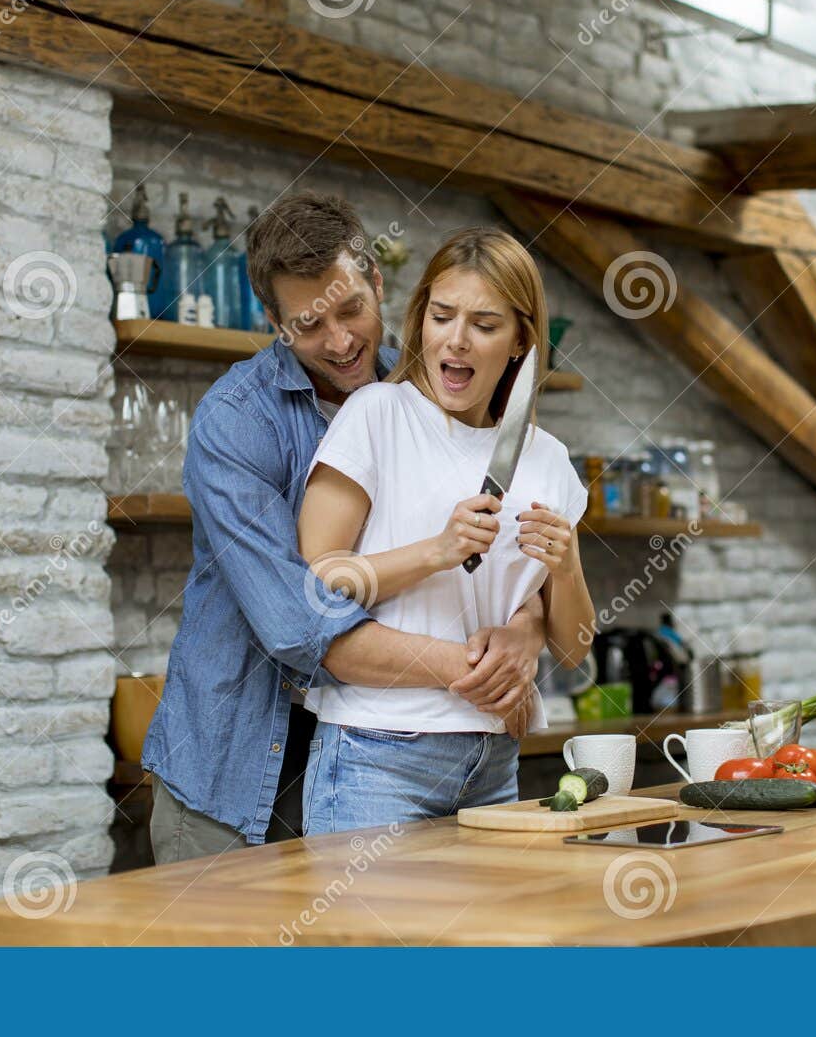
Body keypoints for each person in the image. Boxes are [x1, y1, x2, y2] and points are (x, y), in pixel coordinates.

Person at [142, 195, 547, 864]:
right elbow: (299, 622)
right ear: (273, 322)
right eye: (307, 323)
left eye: (351, 308)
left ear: (376, 283)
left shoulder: (435, 394)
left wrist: (525, 632)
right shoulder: (235, 425)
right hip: (231, 778)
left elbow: (507, 553)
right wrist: (478, 674)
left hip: (379, 762)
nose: (340, 339)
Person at [297, 227, 597, 833]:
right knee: (374, 934)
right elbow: (319, 581)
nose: (455, 341)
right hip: (376, 756)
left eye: (485, 326)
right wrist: (437, 550)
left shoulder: (548, 459)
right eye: (441, 317)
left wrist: (561, 575)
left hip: (493, 762)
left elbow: (574, 646)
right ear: (421, 319)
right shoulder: (377, 415)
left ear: (520, 341)